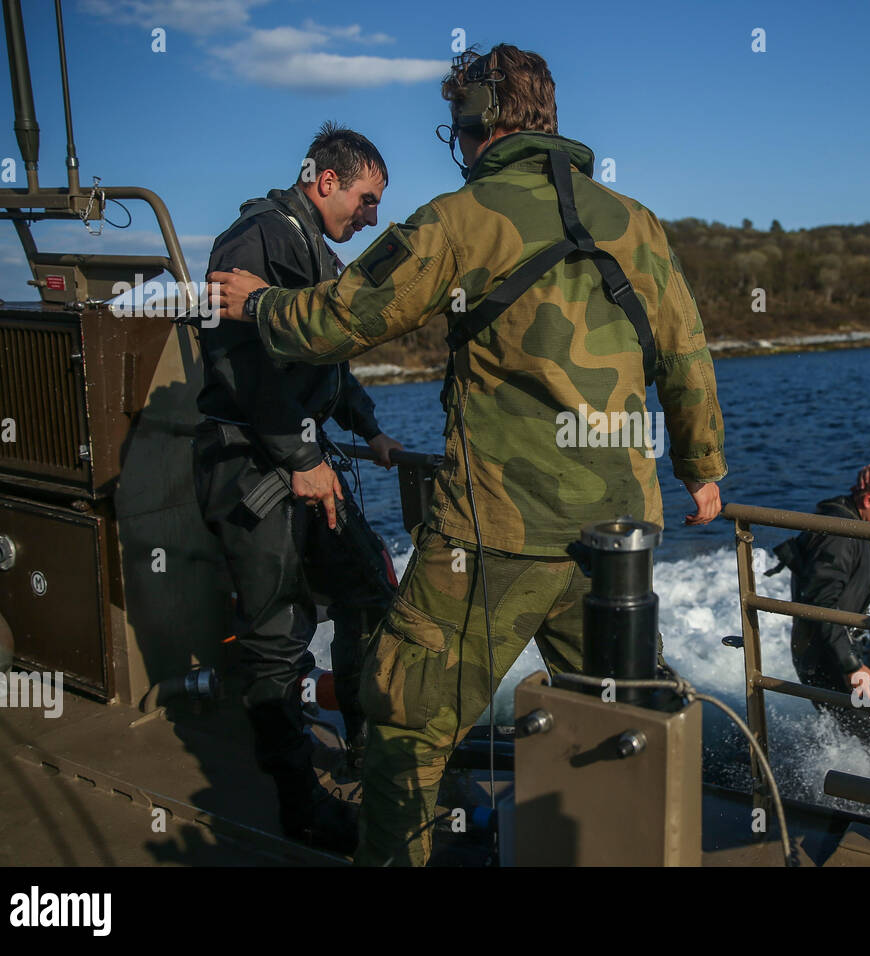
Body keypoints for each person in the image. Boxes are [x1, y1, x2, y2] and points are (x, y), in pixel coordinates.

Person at [210, 44, 727, 865]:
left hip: (492, 537)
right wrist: (703, 471)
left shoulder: (460, 218)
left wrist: (262, 304)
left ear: (481, 122)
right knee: (625, 721)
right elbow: (687, 355)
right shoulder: (636, 222)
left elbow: (346, 317)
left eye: (457, 129)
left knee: (406, 727)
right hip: (617, 538)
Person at [193, 123, 402, 854]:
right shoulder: (255, 239)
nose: (371, 216)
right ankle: (298, 807)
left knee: (370, 593)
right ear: (326, 183)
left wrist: (370, 429)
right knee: (278, 643)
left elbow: (324, 362)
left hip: (307, 462)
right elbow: (240, 367)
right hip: (254, 469)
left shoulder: (313, 251)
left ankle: (369, 750)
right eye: (367, 199)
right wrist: (298, 456)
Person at [768, 461, 870, 774]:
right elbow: (822, 608)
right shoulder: (840, 535)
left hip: (852, 648)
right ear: (869, 501)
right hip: (831, 656)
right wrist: (851, 666)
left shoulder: (858, 518)